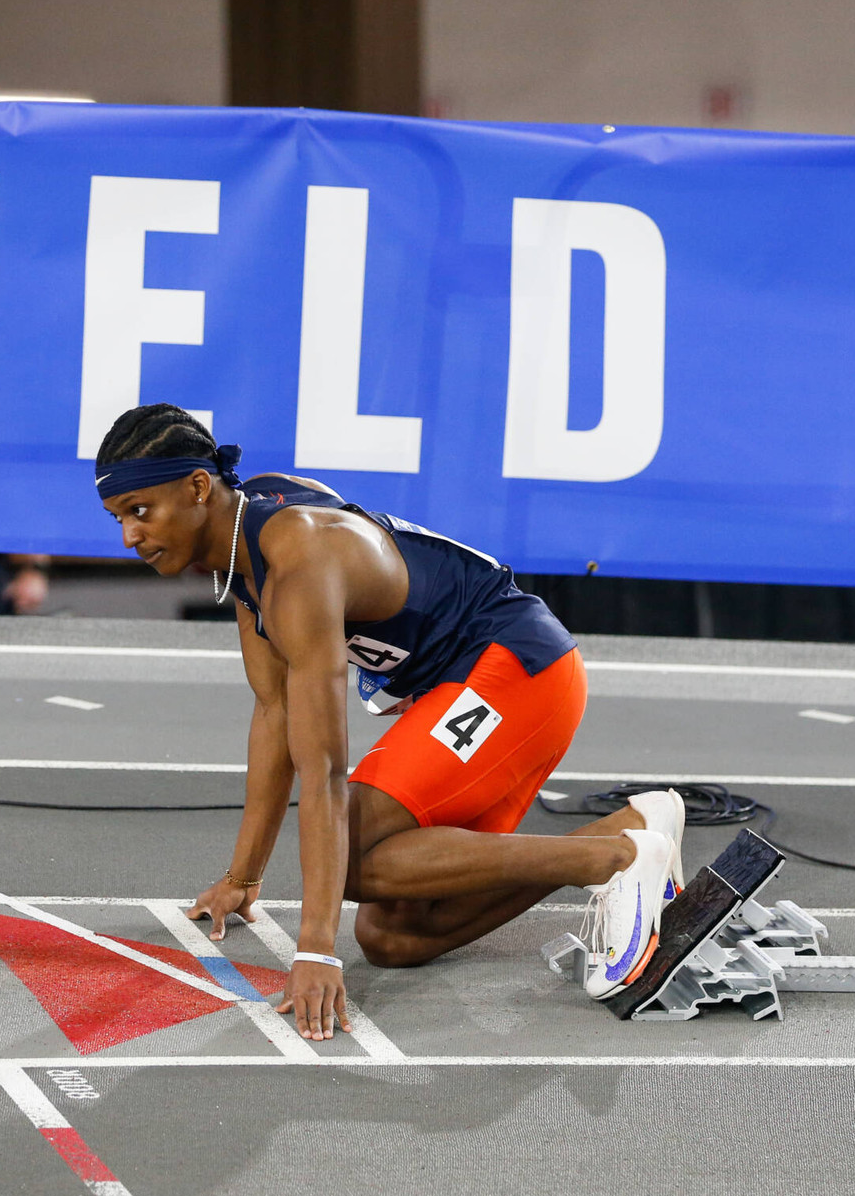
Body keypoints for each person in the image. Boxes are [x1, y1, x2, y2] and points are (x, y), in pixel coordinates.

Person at [94, 404, 686, 1042]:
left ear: (197, 488)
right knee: (393, 935)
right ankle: (626, 832)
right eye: (118, 517)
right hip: (464, 683)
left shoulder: (298, 559)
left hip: (516, 670)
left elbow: (324, 769)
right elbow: (274, 713)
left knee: (350, 849)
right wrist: (243, 878)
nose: (129, 536)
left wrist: (316, 951)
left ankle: (617, 861)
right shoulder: (245, 546)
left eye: (139, 510)